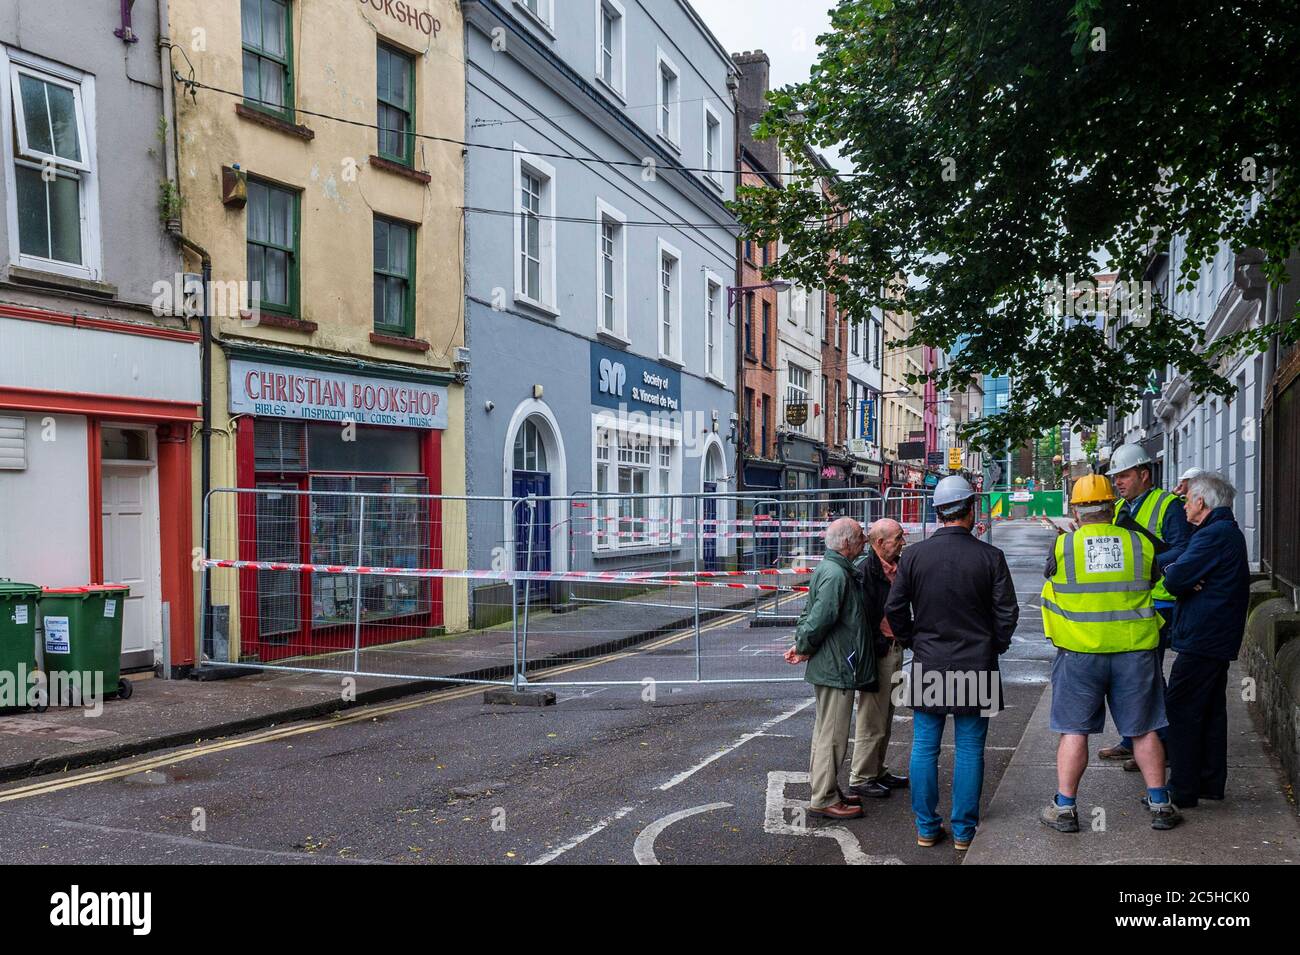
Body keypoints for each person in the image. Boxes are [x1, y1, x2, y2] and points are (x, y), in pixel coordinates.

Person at [1038, 473, 1181, 833]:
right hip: (1134, 650)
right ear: (1112, 506)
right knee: (1144, 729)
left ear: (1075, 509)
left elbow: (1051, 580)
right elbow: (1156, 580)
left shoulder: (1062, 546)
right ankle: (1160, 802)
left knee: (1074, 731)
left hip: (1079, 652)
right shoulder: (1139, 545)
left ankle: (1066, 808)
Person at [885, 475, 1019, 851]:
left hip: (928, 661)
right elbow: (1007, 612)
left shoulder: (912, 556)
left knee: (925, 745)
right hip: (977, 662)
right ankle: (964, 832)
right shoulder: (990, 557)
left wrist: (914, 641)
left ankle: (927, 827)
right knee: (970, 748)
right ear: (972, 510)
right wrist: (995, 645)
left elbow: (894, 609)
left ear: (938, 512)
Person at [1098, 443, 1191, 767]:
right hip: (1132, 603)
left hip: (1160, 603)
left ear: (1143, 474)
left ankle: (1157, 745)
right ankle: (1134, 740)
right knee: (1133, 676)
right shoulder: (1124, 507)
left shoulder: (1167, 504)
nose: (1118, 483)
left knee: (1146, 676)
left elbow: (1183, 549)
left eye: (1124, 476)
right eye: (1116, 478)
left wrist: (1145, 565)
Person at [1161, 472, 1250, 808]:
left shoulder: (1211, 535)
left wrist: (1177, 573)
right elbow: (1188, 575)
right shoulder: (1225, 532)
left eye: (1187, 499)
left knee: (1181, 708)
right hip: (1216, 637)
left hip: (1203, 637)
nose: (1184, 505)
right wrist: (1187, 575)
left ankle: (1182, 789)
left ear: (1201, 501)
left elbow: (1177, 578)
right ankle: (1209, 782)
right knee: (1211, 710)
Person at [784, 517, 877, 819]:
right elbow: (819, 619)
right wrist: (803, 645)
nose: (866, 540)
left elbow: (812, 615)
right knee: (833, 735)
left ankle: (826, 790)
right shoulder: (837, 574)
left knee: (826, 732)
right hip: (837, 666)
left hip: (833, 662)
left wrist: (803, 646)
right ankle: (824, 798)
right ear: (847, 543)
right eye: (862, 536)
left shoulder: (832, 569)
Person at [847, 518, 909, 799]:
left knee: (887, 714)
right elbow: (862, 620)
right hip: (879, 651)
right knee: (872, 717)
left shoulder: (896, 567)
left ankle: (877, 768)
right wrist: (880, 644)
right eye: (897, 538)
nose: (902, 542)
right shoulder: (866, 571)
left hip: (895, 647)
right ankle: (861, 776)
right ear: (879, 542)